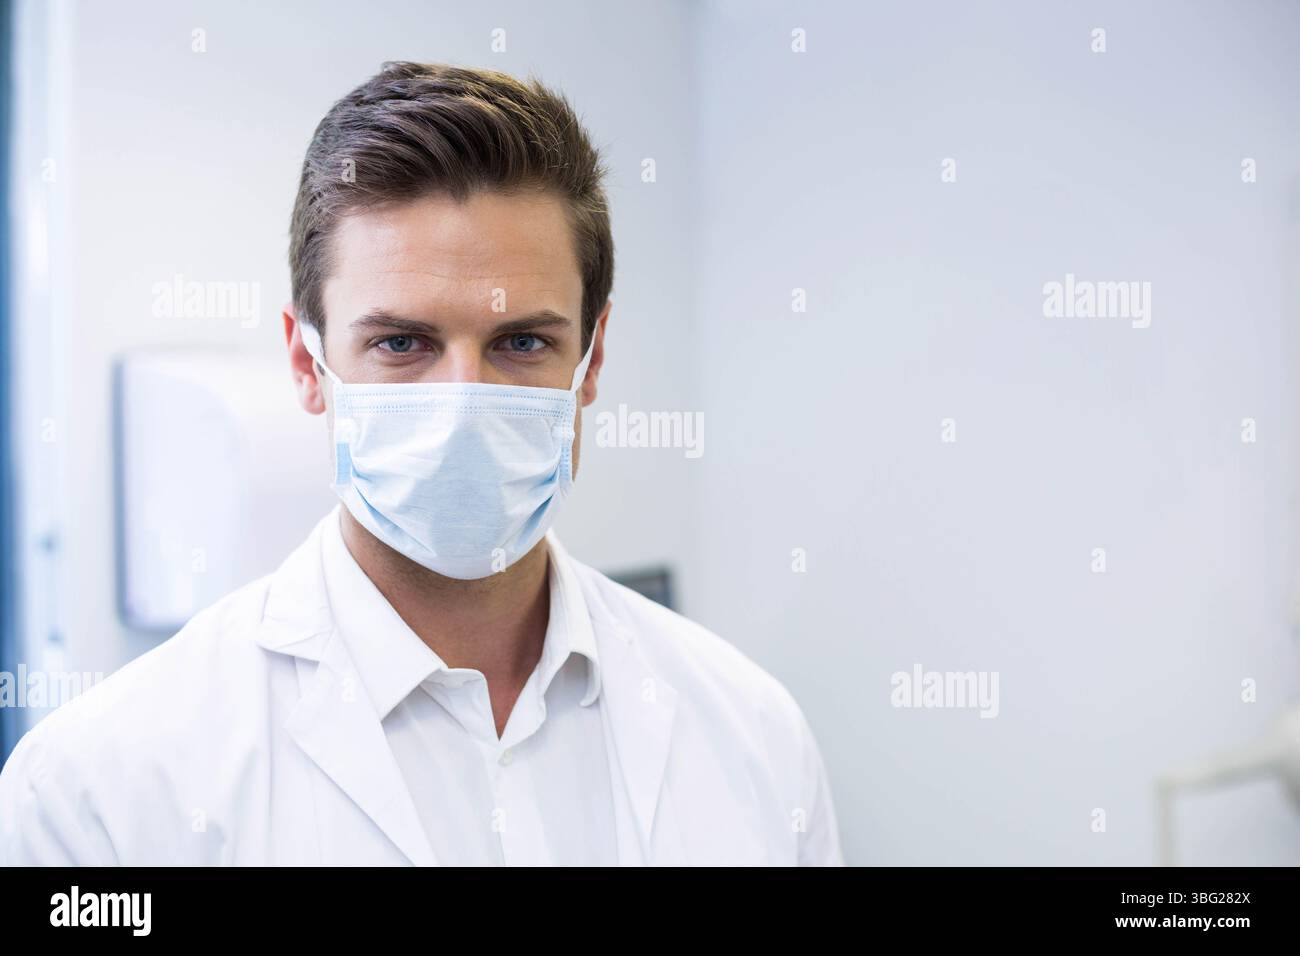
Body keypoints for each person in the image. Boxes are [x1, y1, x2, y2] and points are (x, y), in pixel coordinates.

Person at [0, 62, 844, 866]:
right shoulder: (98, 793)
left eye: (522, 342)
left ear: (592, 361)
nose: (461, 403)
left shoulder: (752, 734)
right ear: (307, 364)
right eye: (401, 342)